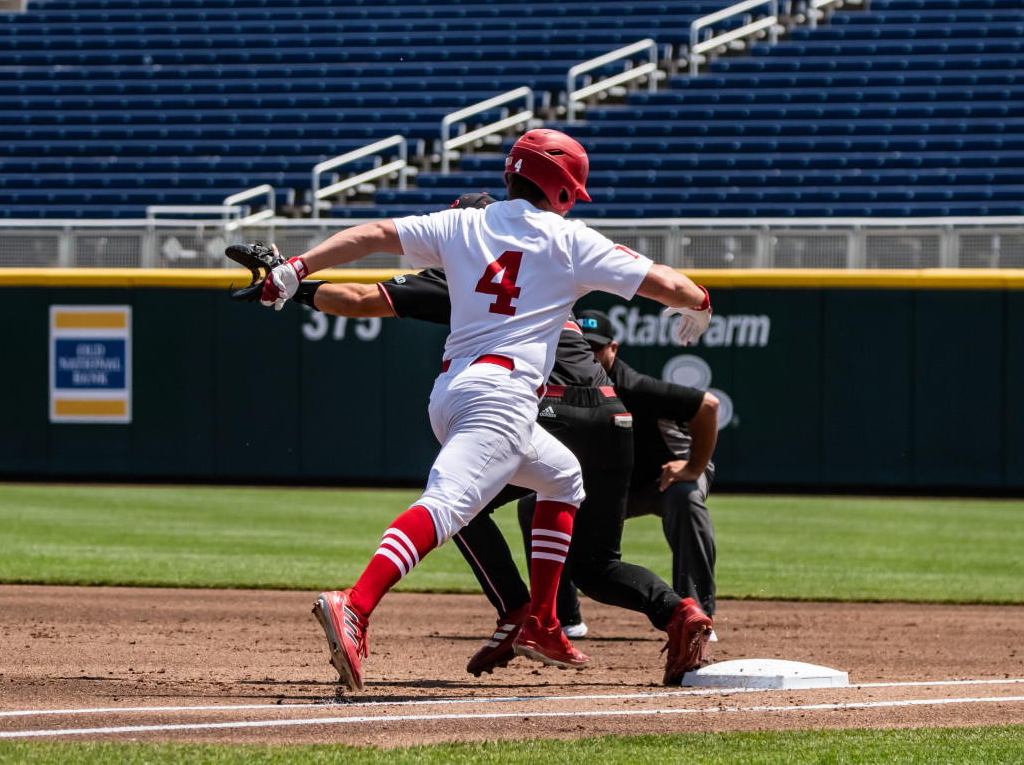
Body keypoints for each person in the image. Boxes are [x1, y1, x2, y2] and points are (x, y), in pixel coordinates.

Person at [258, 129, 713, 691]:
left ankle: (543, 622)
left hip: (468, 391)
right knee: (448, 505)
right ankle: (354, 603)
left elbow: (373, 233)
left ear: (509, 174)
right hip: (501, 398)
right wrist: (700, 303)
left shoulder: (462, 223)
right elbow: (670, 285)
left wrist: (295, 269)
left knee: (563, 477)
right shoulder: (571, 240)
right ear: (566, 192)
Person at [570, 309, 721, 620]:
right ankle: (559, 618)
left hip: (663, 481)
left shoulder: (634, 387)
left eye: (595, 349)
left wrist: (693, 467)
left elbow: (708, 405)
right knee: (535, 504)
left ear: (612, 348)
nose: (589, 357)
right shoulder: (565, 387)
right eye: (581, 348)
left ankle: (696, 614)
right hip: (610, 488)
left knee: (686, 497)